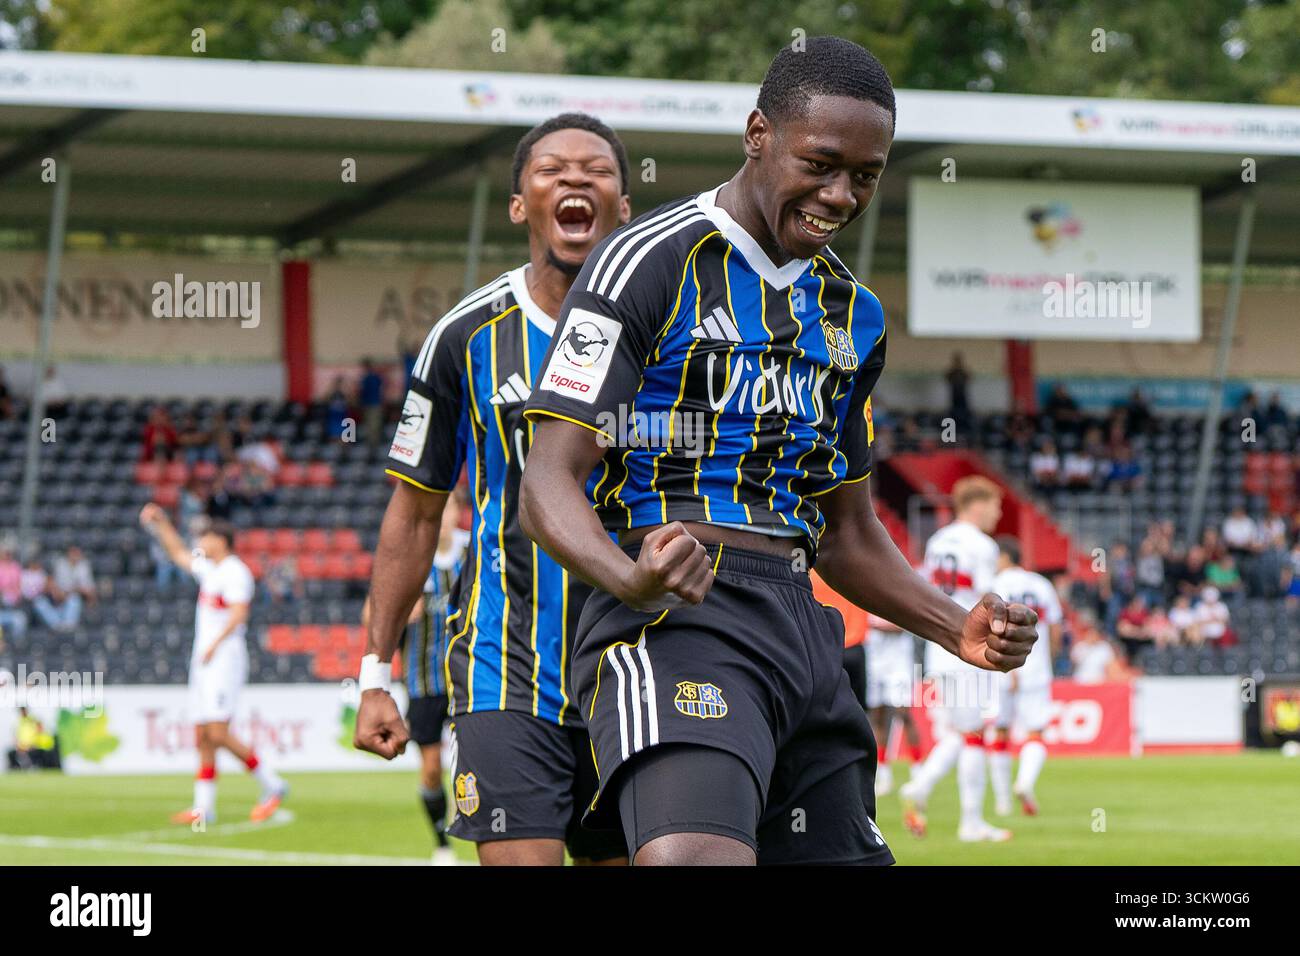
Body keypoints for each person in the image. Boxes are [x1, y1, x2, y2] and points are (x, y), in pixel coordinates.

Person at [518, 41, 1037, 865]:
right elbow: (547, 478)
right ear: (758, 132)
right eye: (821, 164)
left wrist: (953, 625)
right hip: (679, 617)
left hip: (803, 628)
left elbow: (848, 532)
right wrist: (630, 580)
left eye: (865, 175)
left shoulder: (853, 315)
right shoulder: (647, 260)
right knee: (695, 859)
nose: (840, 195)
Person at [352, 112, 634, 867]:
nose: (576, 179)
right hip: (504, 664)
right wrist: (375, 676)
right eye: (551, 169)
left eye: (598, 170)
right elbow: (413, 514)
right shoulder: (464, 336)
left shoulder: (671, 332)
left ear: (625, 206)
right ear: (519, 205)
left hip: (637, 662)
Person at [138, 506, 287, 824]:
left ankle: (272, 784)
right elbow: (178, 553)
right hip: (205, 661)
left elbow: (239, 614)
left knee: (218, 732)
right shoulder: (210, 569)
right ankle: (203, 808)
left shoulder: (236, 572)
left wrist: (214, 646)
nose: (201, 540)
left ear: (221, 539)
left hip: (224, 660)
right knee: (203, 734)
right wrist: (162, 523)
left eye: (206, 535)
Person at [900, 476, 1012, 843]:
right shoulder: (981, 545)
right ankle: (971, 822)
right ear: (976, 504)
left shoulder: (936, 542)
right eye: (994, 506)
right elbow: (988, 601)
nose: (997, 514)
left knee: (958, 733)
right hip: (970, 648)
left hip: (939, 646)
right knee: (974, 734)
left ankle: (921, 786)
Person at [362, 486, 468, 865]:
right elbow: (370, 617)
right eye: (439, 510)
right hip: (423, 683)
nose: (444, 518)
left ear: (458, 513)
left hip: (470, 680)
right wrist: (401, 613)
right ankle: (441, 842)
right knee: (429, 770)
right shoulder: (412, 557)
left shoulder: (473, 553)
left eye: (451, 509)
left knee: (478, 762)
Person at [990, 537, 1062, 818]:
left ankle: (1002, 802)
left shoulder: (998, 585)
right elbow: (1055, 628)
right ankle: (1024, 782)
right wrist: (1050, 659)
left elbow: (992, 627)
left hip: (1002, 665)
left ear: (1005, 557)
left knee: (1000, 732)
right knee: (1035, 732)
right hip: (1036, 668)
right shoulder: (1042, 585)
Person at [864, 615, 922, 798]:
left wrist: (875, 625)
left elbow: (907, 623)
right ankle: (883, 774)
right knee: (877, 716)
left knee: (903, 714)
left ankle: (917, 770)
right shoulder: (863, 593)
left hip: (899, 662)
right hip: (874, 658)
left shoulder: (895, 591)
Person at [33, 546, 95, 632]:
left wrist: (71, 592)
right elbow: (50, 583)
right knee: (39, 602)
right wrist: (56, 591)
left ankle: (67, 629)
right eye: (73, 552)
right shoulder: (60, 564)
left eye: (77, 553)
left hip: (73, 601)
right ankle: (58, 627)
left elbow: (89, 591)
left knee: (74, 599)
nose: (75, 555)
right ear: (68, 553)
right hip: (56, 600)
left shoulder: (83, 566)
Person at [358, 359, 386, 446]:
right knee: (371, 425)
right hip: (370, 404)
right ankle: (372, 444)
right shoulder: (370, 378)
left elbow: (363, 392)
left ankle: (374, 444)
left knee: (374, 425)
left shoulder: (371, 378)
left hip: (374, 404)